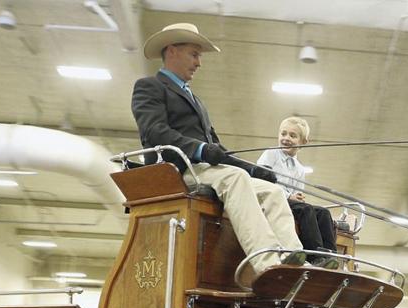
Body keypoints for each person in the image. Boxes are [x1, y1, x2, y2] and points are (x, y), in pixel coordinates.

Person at [131, 22, 305, 288]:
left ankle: (294, 259)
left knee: (272, 191)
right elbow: (155, 132)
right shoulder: (149, 87)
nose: (199, 62)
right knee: (234, 178)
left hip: (207, 171)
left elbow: (217, 149)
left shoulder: (198, 101)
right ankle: (267, 262)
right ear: (172, 51)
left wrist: (253, 169)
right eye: (194, 54)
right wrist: (200, 150)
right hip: (177, 169)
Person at [256, 117, 339, 265]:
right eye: (283, 134)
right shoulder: (271, 154)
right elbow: (262, 181)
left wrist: (296, 197)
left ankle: (331, 256)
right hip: (272, 199)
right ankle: (314, 255)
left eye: (292, 136)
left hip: (290, 203)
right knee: (306, 209)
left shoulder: (300, 169)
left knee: (323, 213)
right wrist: (290, 196)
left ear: (303, 142)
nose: (286, 138)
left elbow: (297, 194)